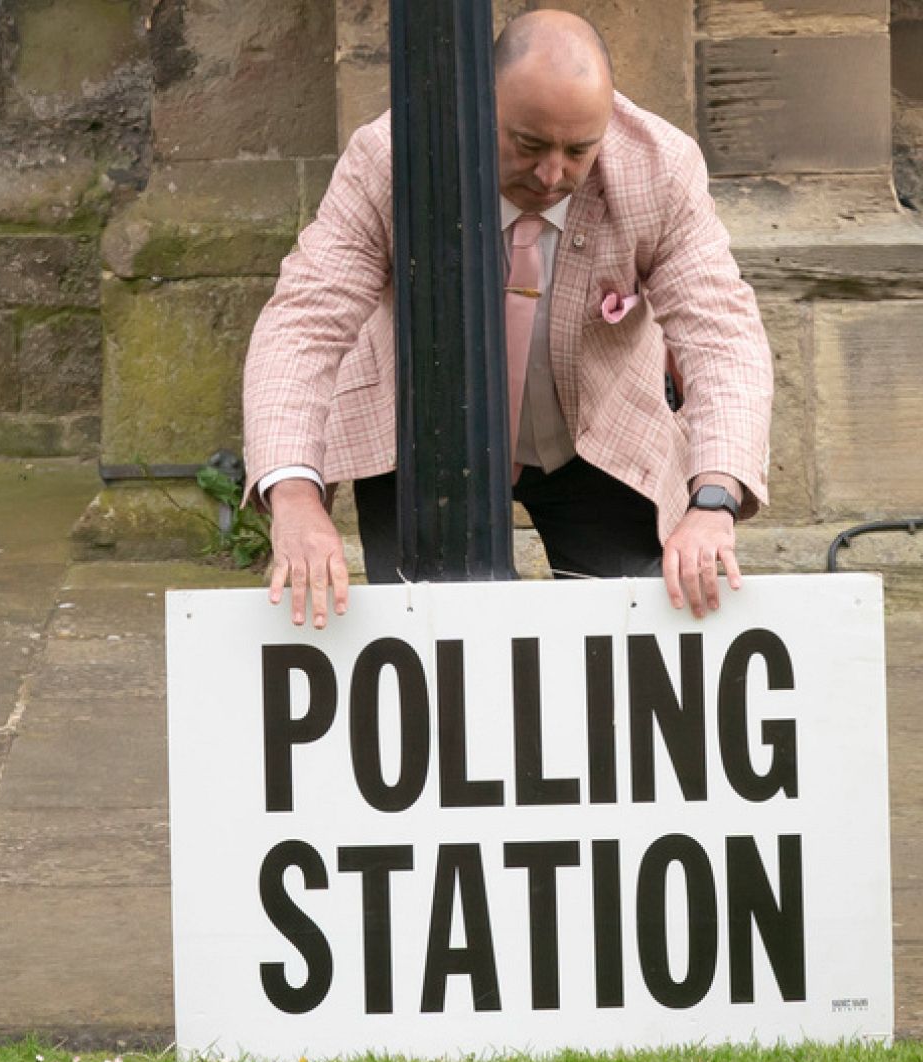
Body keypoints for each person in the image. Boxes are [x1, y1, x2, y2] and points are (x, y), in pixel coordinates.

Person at [241, 10, 771, 629]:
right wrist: (296, 498)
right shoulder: (389, 159)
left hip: (601, 434)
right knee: (431, 642)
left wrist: (712, 500)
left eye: (579, 150)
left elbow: (723, 334)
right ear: (479, 106)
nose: (552, 175)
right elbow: (304, 321)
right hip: (422, 439)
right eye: (528, 144)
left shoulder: (661, 168)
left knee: (640, 637)